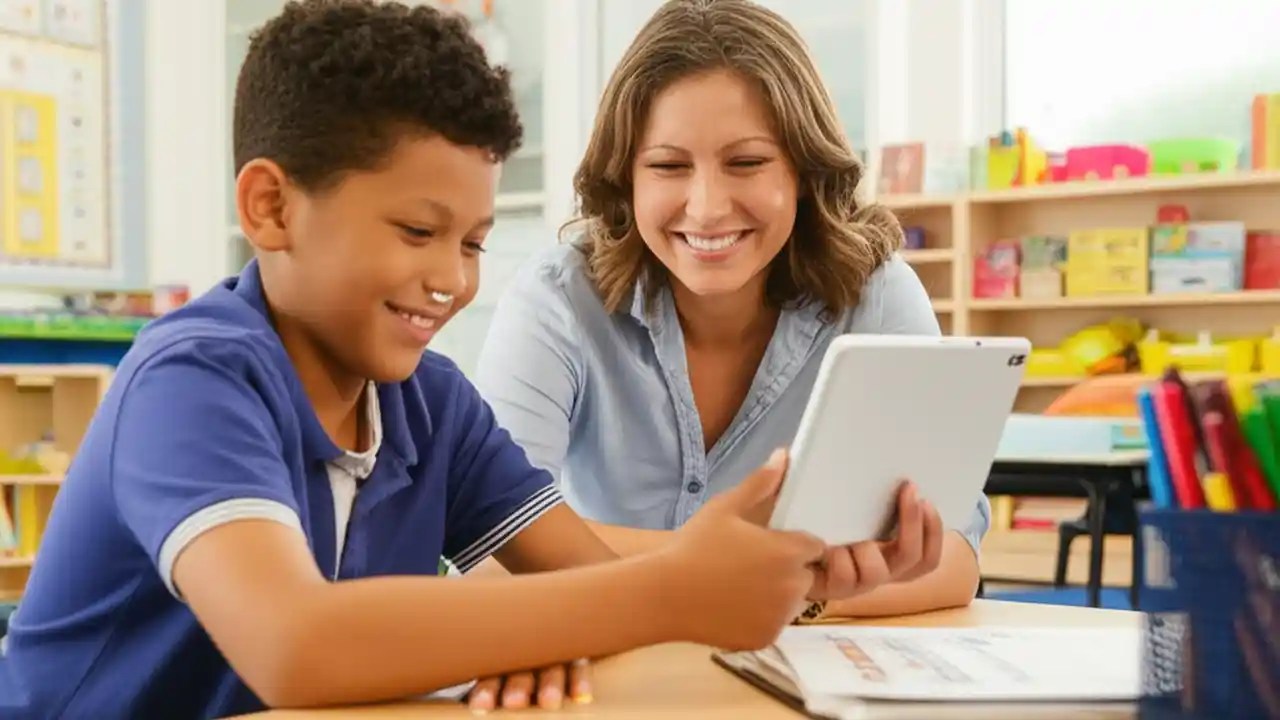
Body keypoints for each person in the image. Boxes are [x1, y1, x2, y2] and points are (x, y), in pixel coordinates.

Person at [0, 2, 854, 717]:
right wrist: (651, 594)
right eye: (418, 231)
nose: (452, 280)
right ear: (270, 207)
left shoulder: (431, 403)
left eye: (475, 242)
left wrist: (570, 623)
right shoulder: (192, 378)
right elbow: (297, 644)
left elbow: (583, 588)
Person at [475, 0, 988, 620]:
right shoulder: (558, 299)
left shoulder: (876, 297)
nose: (708, 206)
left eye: (746, 163)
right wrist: (765, 579)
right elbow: (495, 540)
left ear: (802, 169)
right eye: (668, 165)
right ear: (626, 177)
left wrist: (743, 589)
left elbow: (953, 557)